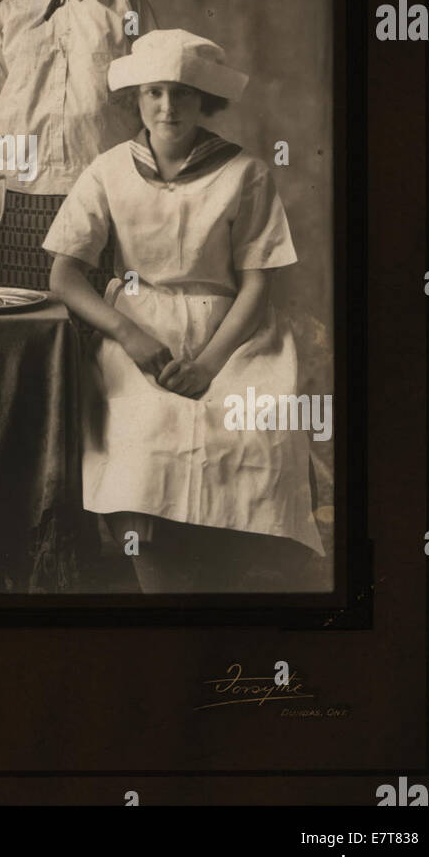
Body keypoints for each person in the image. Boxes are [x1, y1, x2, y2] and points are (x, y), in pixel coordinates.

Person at [43, 30, 324, 592]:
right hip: (141, 326)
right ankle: (157, 570)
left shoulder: (245, 172)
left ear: (204, 100)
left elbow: (256, 285)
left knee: (251, 426)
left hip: (234, 332)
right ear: (137, 100)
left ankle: (233, 567)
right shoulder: (108, 170)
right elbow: (64, 276)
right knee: (147, 423)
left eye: (183, 93)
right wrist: (127, 334)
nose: (168, 107)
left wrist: (211, 364)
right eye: (154, 93)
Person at [0, 0, 158, 292]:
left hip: (106, 190)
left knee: (100, 327)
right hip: (21, 197)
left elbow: (154, 91)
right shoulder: (11, 11)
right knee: (24, 320)